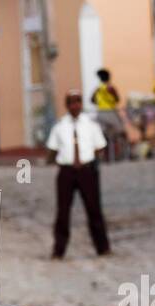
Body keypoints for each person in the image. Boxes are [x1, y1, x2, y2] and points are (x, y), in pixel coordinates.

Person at [45, 90, 111, 259]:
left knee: (94, 208)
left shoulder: (91, 125)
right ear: (67, 105)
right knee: (63, 211)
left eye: (78, 101)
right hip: (67, 171)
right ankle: (58, 249)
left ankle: (102, 247)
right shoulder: (60, 126)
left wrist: (91, 162)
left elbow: (99, 146)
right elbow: (52, 149)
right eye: (71, 102)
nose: (75, 105)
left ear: (81, 104)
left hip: (86, 170)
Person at [91, 68, 125, 161]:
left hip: (101, 114)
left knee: (104, 137)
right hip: (111, 113)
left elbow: (92, 100)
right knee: (118, 134)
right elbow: (117, 99)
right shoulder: (111, 88)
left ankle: (106, 157)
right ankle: (117, 156)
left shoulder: (98, 89)